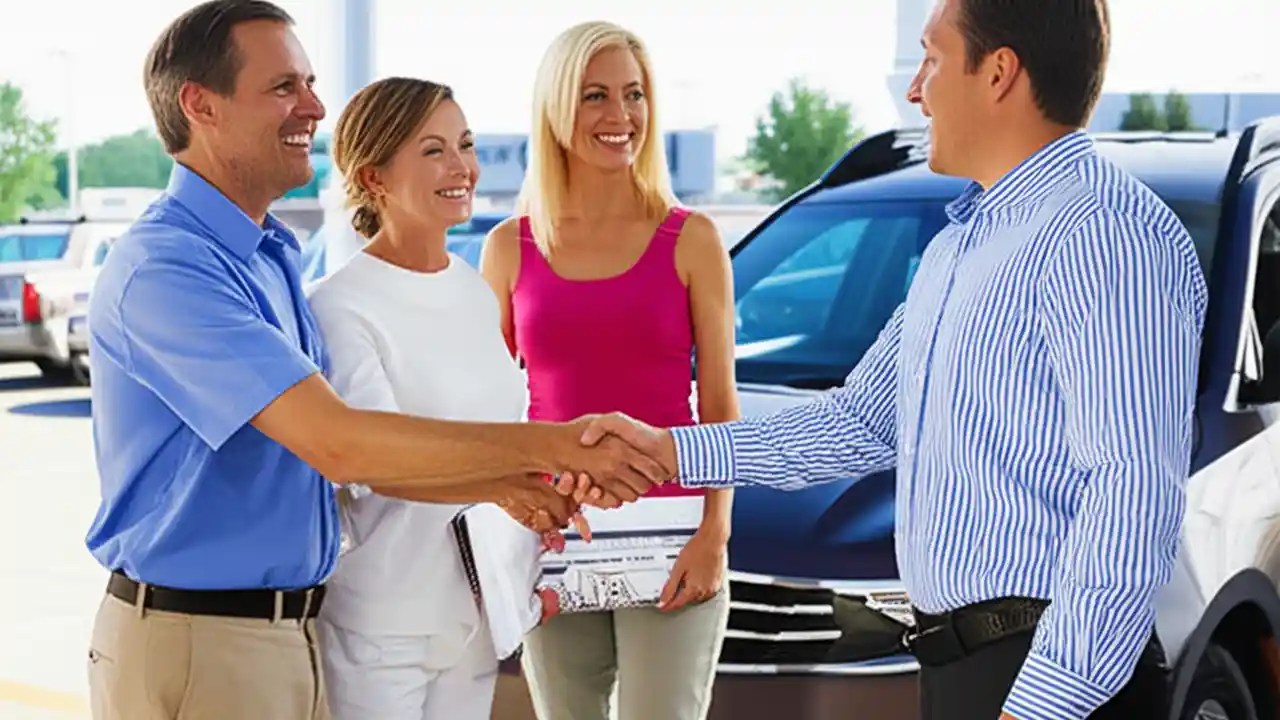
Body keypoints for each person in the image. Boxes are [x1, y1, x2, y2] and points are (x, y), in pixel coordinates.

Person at [581, 1, 1208, 719]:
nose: (916, 89)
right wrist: (667, 452)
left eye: (933, 59)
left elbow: (1132, 489)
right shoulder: (960, 247)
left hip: (1050, 680)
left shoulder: (1104, 234)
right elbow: (857, 421)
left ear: (999, 72)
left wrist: (1045, 703)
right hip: (964, 669)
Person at [83, 3, 666, 719]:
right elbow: (340, 443)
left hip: (282, 632)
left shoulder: (267, 260)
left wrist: (505, 485)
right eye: (283, 87)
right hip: (204, 637)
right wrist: (556, 446)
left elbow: (330, 466)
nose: (315, 106)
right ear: (199, 106)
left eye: (310, 82)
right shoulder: (169, 271)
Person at [480, 20, 737, 720]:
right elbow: (492, 413)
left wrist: (715, 534)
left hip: (675, 537)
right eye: (595, 95)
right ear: (558, 108)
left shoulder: (693, 239)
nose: (620, 116)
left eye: (634, 95)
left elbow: (718, 404)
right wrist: (518, 507)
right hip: (555, 536)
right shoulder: (510, 248)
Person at [305, 76, 563, 720]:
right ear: (374, 178)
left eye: (466, 144)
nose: (462, 167)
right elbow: (376, 463)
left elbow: (508, 434)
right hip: (382, 626)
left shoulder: (473, 290)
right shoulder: (339, 305)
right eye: (433, 150)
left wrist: (539, 538)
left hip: (475, 613)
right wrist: (508, 484)